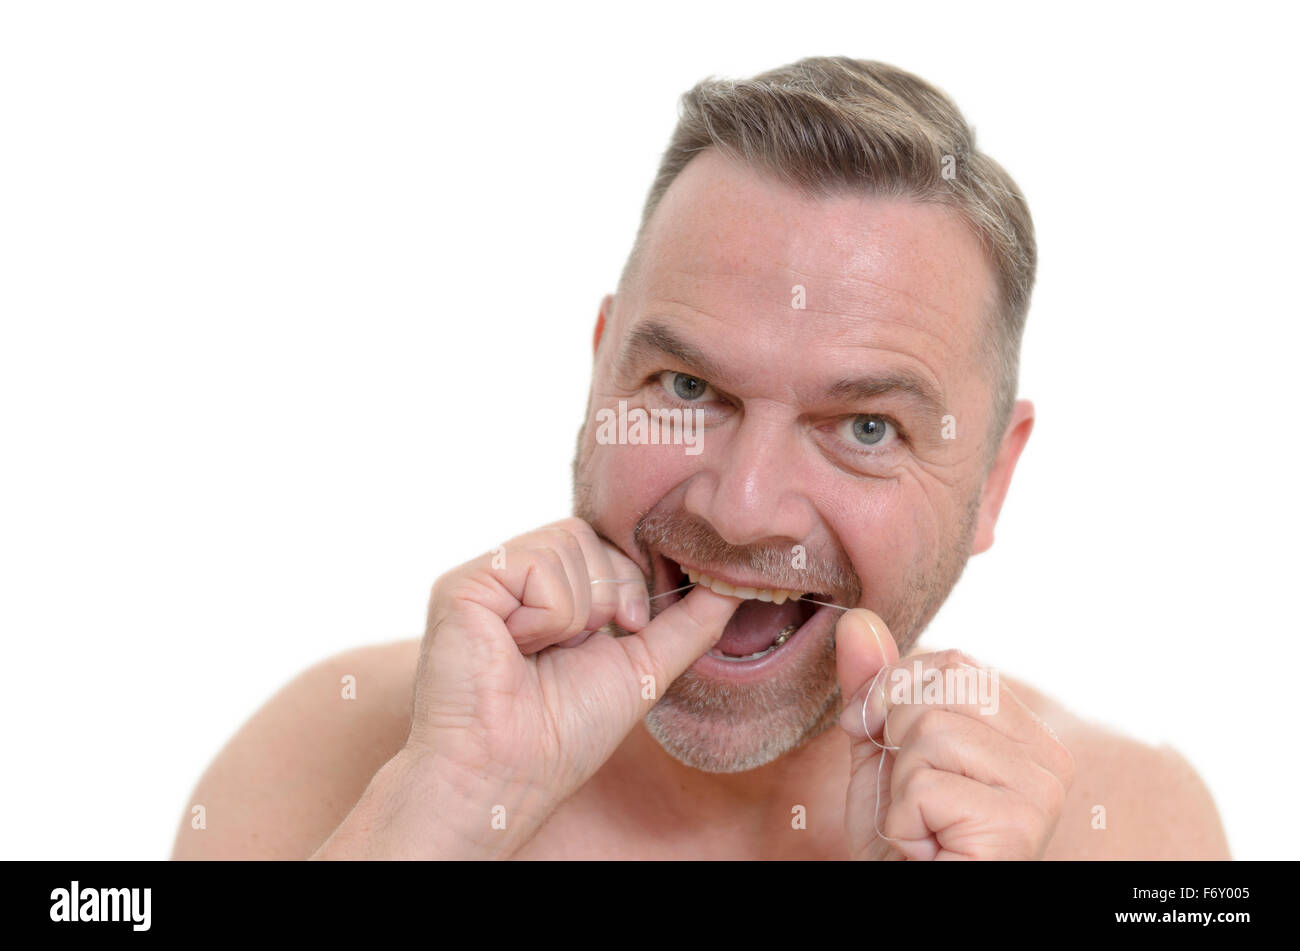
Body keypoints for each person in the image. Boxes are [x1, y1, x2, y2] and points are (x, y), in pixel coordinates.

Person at [172, 57, 1229, 860]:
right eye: (686, 390)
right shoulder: (340, 760)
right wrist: (431, 819)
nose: (742, 508)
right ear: (600, 381)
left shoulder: (1138, 830)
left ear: (993, 480)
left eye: (865, 428)